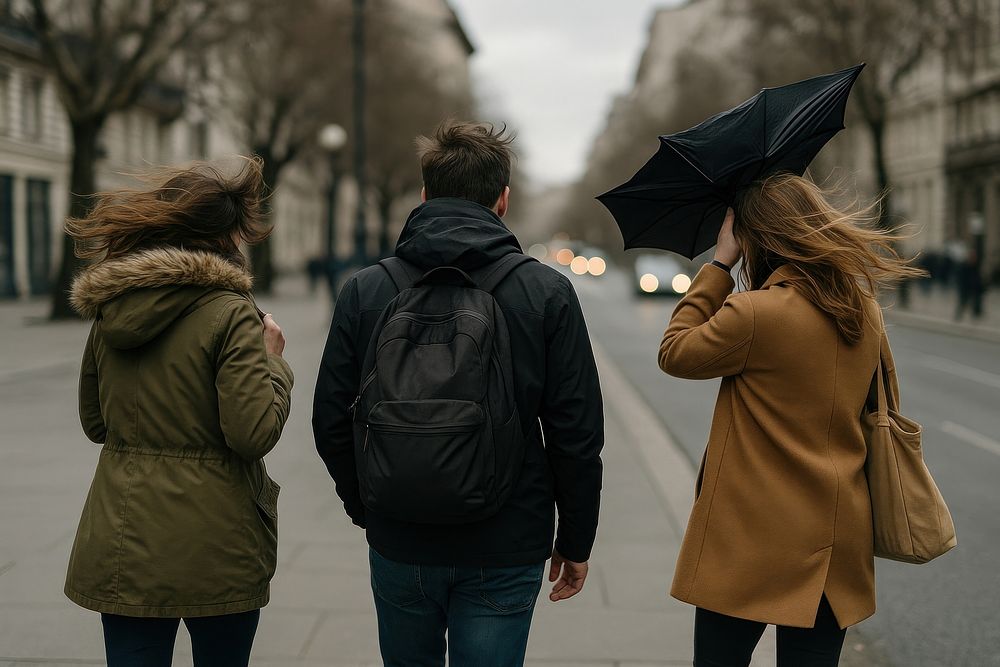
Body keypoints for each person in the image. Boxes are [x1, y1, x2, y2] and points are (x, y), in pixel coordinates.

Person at [313, 121, 604, 667]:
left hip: (401, 536)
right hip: (507, 537)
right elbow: (577, 433)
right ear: (503, 199)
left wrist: (369, 507)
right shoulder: (546, 292)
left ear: (424, 195)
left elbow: (330, 418)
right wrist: (575, 537)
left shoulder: (367, 289)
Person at [658, 173, 924, 667]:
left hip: (751, 538)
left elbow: (674, 352)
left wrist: (719, 265)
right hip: (836, 540)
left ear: (754, 240)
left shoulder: (755, 314)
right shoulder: (863, 311)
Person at [64, 158, 294, 667]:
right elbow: (252, 433)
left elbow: (96, 422)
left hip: (124, 537)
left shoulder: (113, 308)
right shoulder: (231, 312)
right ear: (225, 236)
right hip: (218, 541)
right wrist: (274, 363)